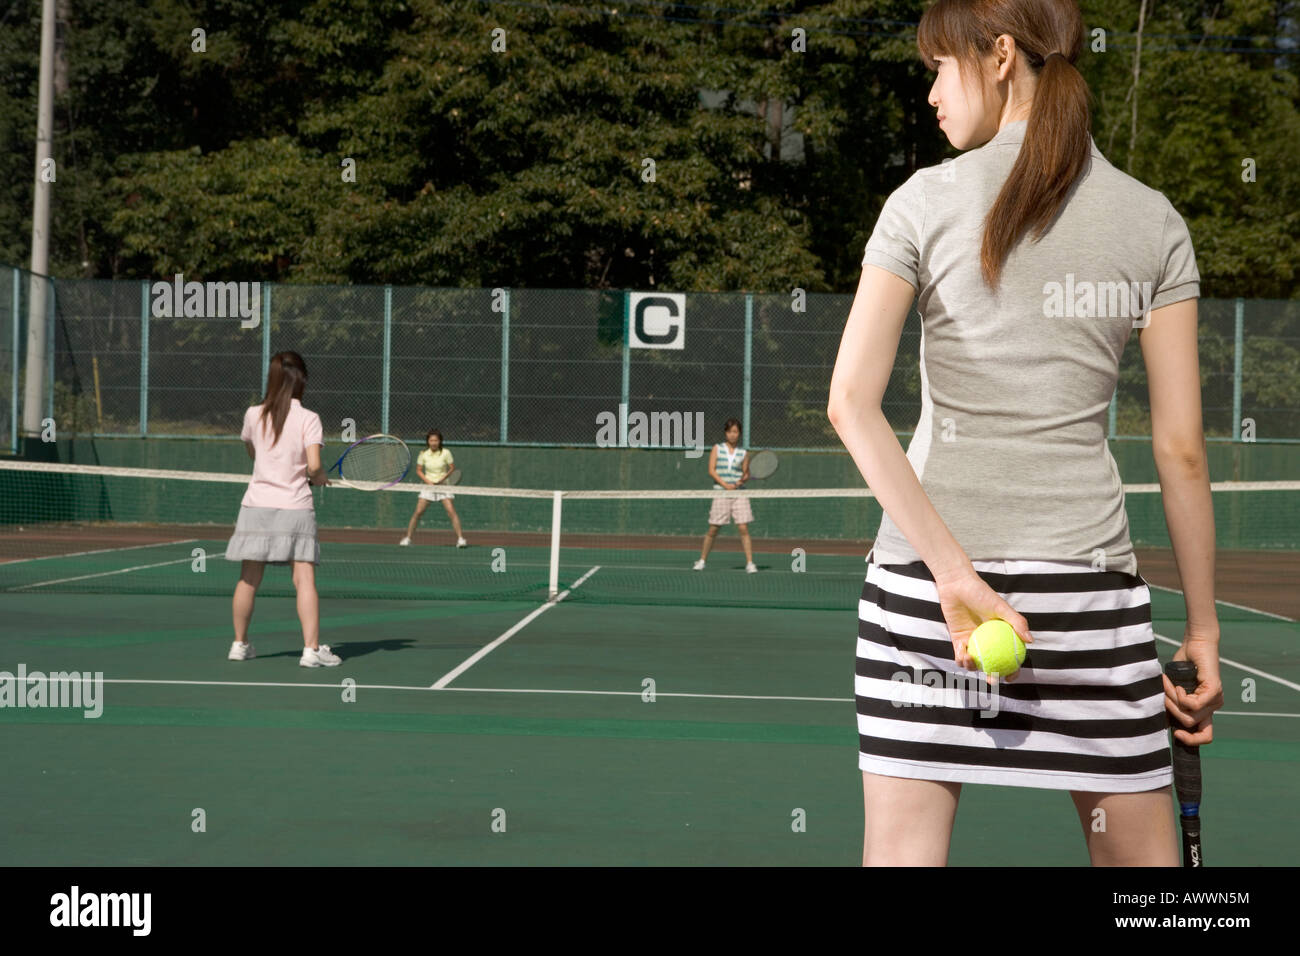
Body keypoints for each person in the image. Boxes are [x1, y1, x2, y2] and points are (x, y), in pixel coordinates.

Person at [827, 0, 1222, 866]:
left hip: (925, 601)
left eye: (939, 66)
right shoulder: (1154, 221)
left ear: (1000, 55)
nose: (930, 92)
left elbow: (851, 404)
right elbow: (1181, 450)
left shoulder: (920, 201)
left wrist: (955, 577)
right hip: (1087, 602)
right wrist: (1203, 635)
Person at [226, 351, 341, 667]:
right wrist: (319, 477)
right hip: (295, 507)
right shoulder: (309, 419)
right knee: (304, 579)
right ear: (302, 380)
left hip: (256, 506)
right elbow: (315, 466)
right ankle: (310, 650)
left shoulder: (253, 415)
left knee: (248, 578)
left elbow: (253, 452)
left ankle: (239, 644)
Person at [693, 418, 757, 573]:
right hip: (721, 493)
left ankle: (750, 563)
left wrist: (743, 479)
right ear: (725, 433)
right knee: (714, 528)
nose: (732, 435)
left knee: (743, 527)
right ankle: (702, 560)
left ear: (739, 434)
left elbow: (746, 473)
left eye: (735, 431)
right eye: (729, 431)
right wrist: (725, 485)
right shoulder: (717, 448)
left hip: (739, 494)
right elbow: (711, 470)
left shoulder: (743, 453)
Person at [400, 430, 467, 547]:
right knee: (418, 512)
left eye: (436, 440)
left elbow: (452, 468)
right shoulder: (423, 454)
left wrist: (442, 479)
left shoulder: (446, 453)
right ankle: (408, 538)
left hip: (443, 486)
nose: (433, 442)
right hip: (428, 486)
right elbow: (419, 470)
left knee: (451, 511)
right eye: (431, 440)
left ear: (439, 441)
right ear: (428, 442)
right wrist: (428, 482)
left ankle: (461, 539)